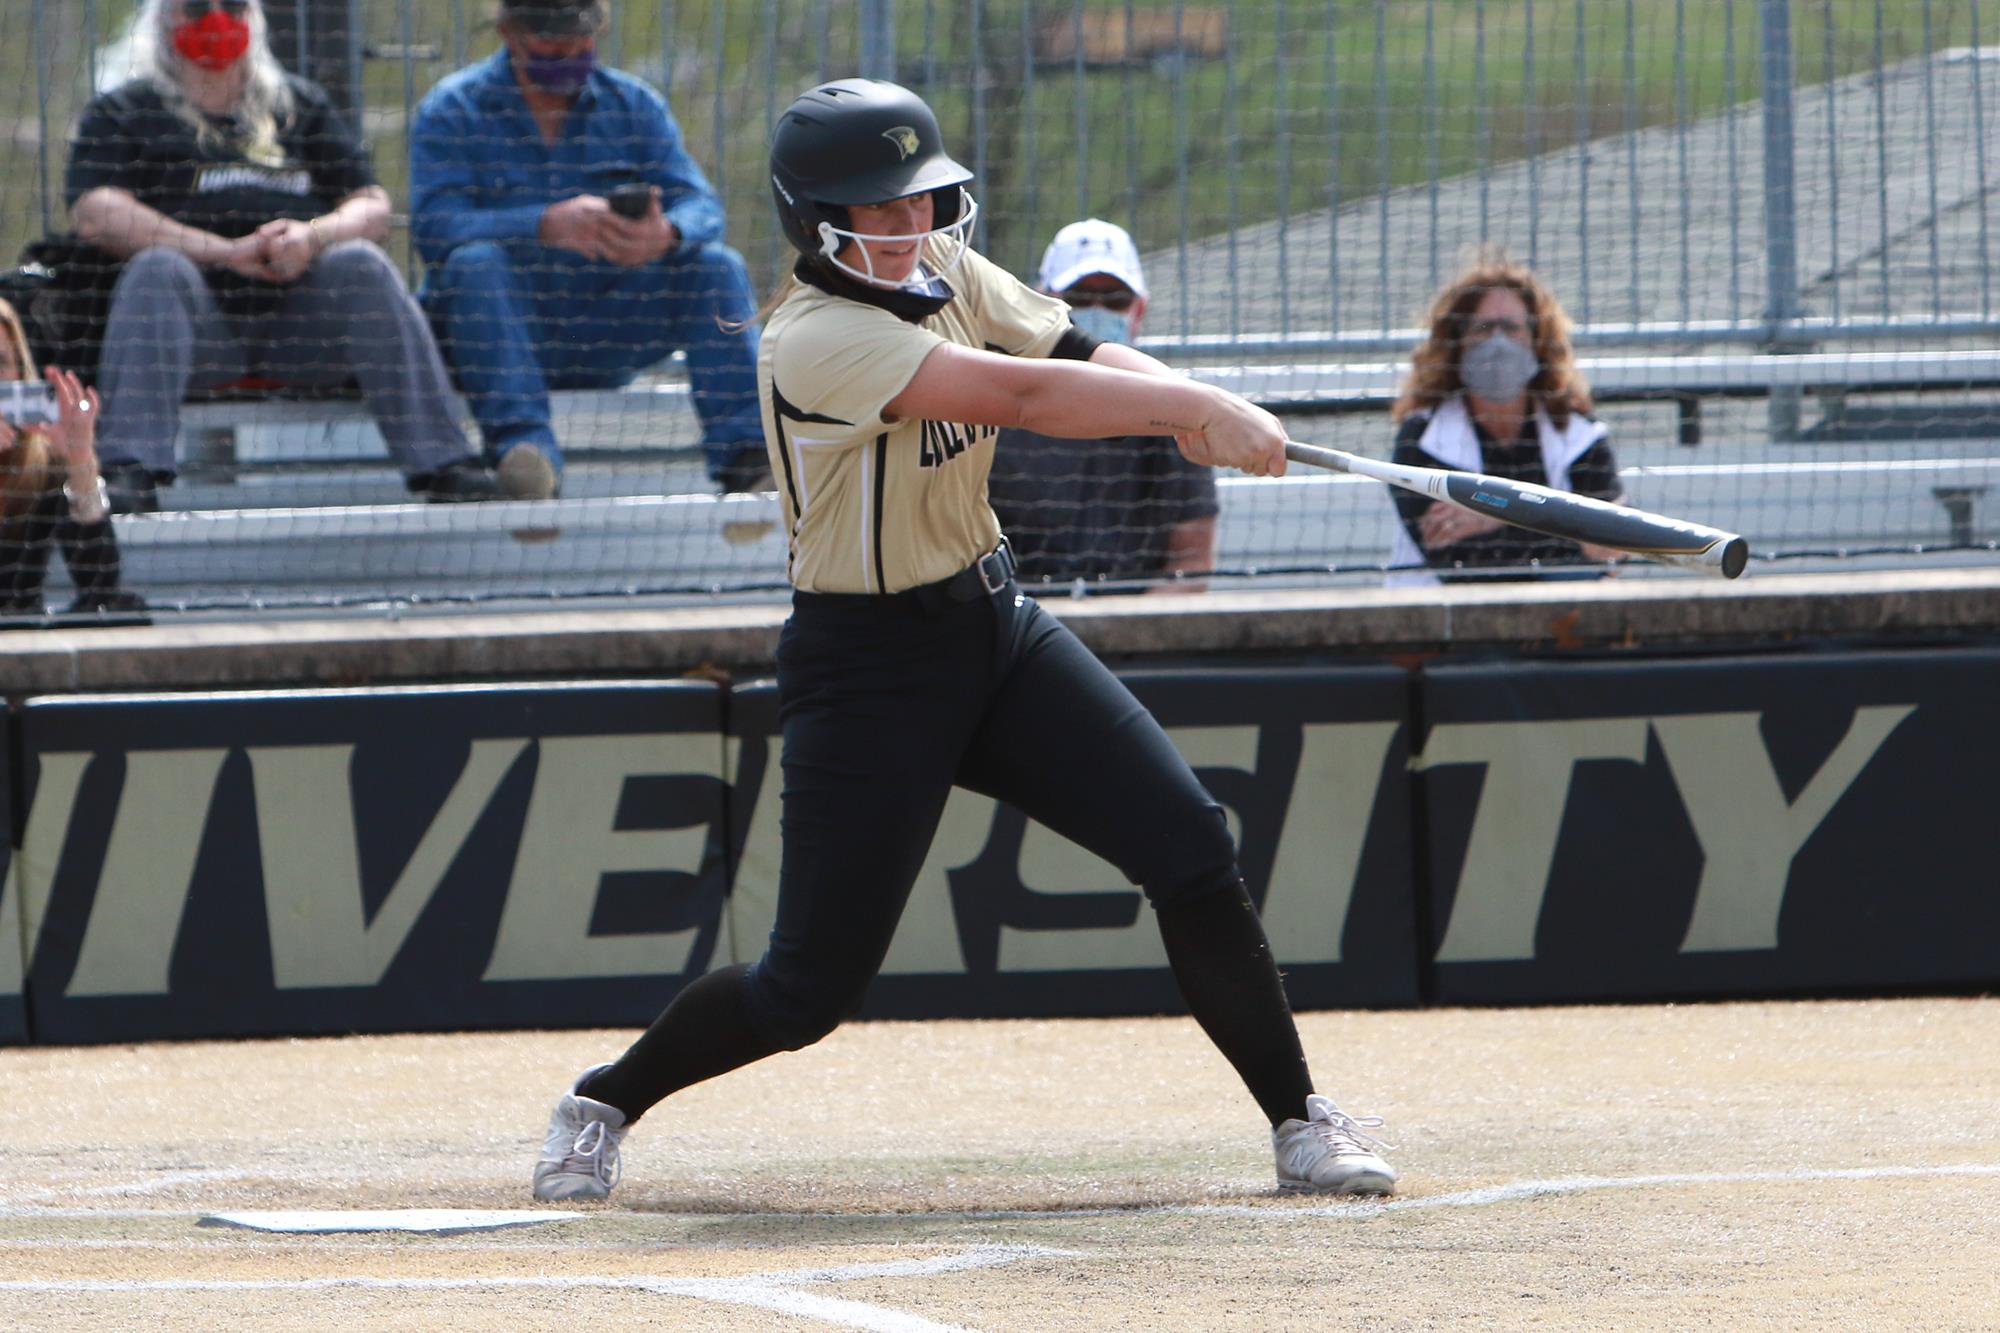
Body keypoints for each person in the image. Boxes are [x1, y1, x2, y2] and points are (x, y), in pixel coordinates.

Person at [529, 79, 1396, 1204]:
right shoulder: (814, 338)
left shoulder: (945, 270)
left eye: (922, 202)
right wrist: (1200, 417)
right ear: (814, 217)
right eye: (880, 210)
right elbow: (1028, 396)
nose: (908, 227)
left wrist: (1198, 398)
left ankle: (1297, 1119)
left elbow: (1078, 349)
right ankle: (604, 1099)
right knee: (805, 991)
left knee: (1189, 845)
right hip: (867, 665)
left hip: (993, 625)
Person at [66, 0, 523, 516]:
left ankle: (446, 464)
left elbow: (372, 207)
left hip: (301, 328)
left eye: (232, 4)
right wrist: (221, 251)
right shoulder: (124, 112)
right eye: (196, 6)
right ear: (163, 19)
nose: (216, 18)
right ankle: (129, 471)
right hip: (192, 334)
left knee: (361, 265)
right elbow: (95, 211)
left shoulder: (298, 106)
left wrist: (313, 236)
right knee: (156, 268)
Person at [410, 0, 765, 496]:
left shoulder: (634, 105)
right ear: (509, 33)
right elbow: (433, 227)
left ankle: (751, 458)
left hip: (607, 325)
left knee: (716, 265)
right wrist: (542, 224)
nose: (571, 55)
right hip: (496, 337)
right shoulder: (452, 109)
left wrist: (666, 234)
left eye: (582, 43)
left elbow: (702, 206)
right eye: (553, 44)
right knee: (474, 263)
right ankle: (524, 457)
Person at [987, 219, 1219, 593]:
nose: (1096, 310)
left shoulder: (1173, 408)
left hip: (1137, 626)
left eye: (1115, 299)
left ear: (1138, 310)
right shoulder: (995, 403)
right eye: (1077, 298)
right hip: (1015, 620)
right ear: (1040, 301)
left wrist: (1128, 629)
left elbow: (1192, 562)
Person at [1386, 253, 1625, 583]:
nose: (1498, 343)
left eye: (1511, 328)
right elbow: (1458, 563)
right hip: (1446, 621)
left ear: (1537, 340)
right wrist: (1569, 532)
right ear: (1458, 341)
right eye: (1483, 328)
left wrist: (1492, 517)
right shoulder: (1422, 437)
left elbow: (1611, 543)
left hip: (1569, 620)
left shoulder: (1580, 435)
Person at [0, 300, 147, 622]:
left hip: (21, 642)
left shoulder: (39, 461)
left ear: (19, 372)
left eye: (0, 362)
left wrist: (80, 460)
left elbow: (100, 585)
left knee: (128, 611)